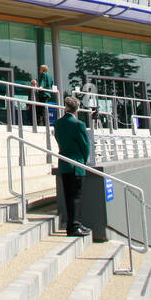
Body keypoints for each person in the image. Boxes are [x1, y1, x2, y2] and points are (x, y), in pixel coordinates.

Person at [53, 96, 92, 237]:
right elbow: (85, 146)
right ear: (77, 109)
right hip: (76, 164)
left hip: (64, 164)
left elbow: (58, 139)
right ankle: (74, 226)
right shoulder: (79, 124)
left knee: (69, 196)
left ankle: (75, 223)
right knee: (76, 196)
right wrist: (84, 160)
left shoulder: (57, 123)